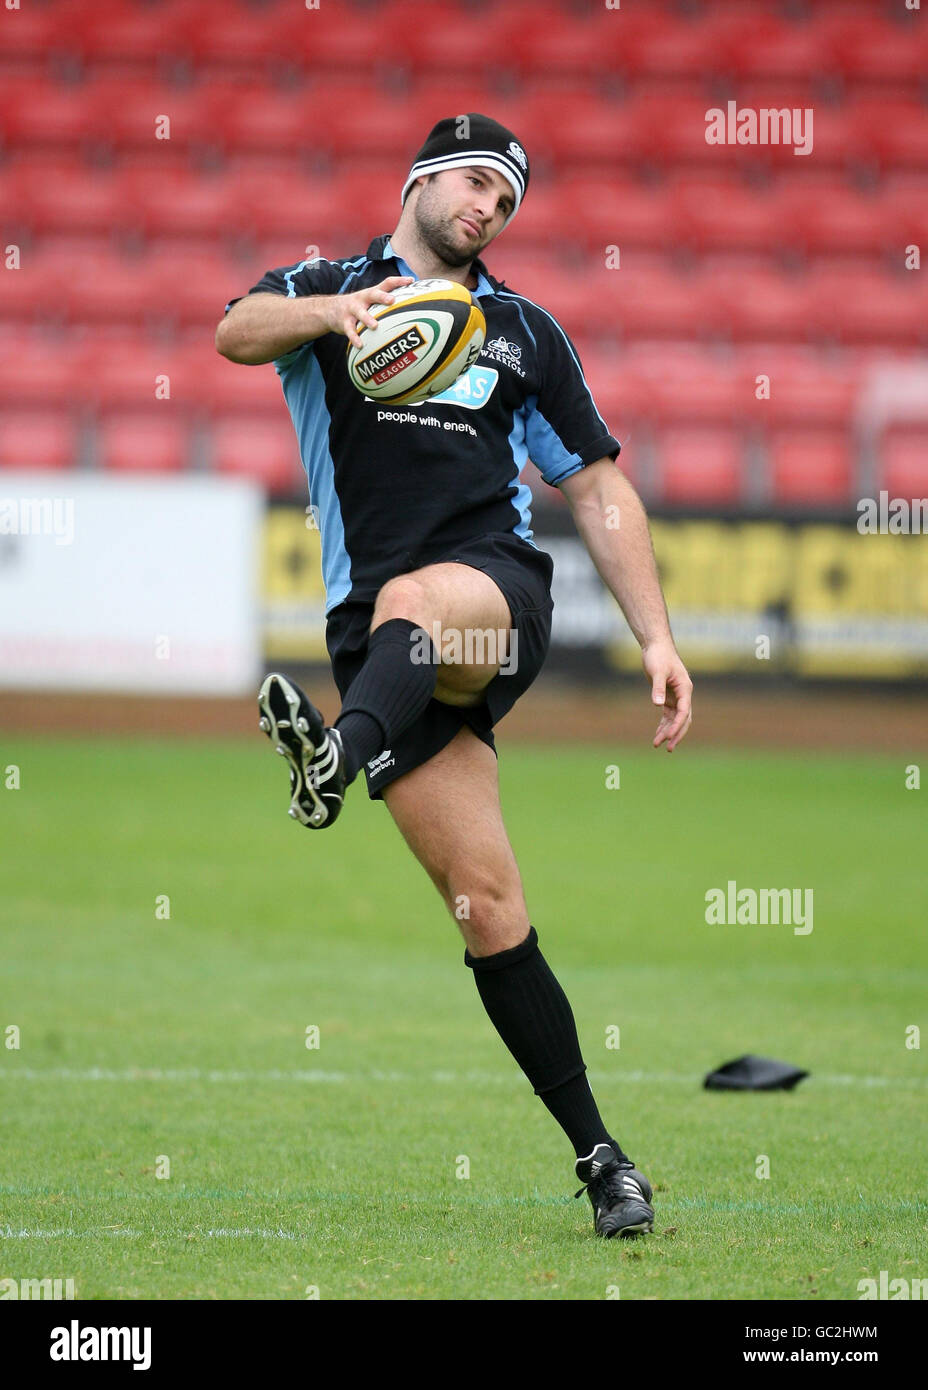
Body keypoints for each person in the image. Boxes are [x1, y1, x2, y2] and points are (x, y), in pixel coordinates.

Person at [217, 114, 693, 1238]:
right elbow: (236, 328)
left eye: (507, 200)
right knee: (490, 911)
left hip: (492, 599)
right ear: (423, 177)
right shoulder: (327, 287)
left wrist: (657, 637)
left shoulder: (523, 329)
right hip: (374, 649)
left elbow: (599, 489)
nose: (488, 207)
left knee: (418, 601)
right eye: (476, 182)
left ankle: (332, 756)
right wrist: (333, 314)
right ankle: (605, 1161)